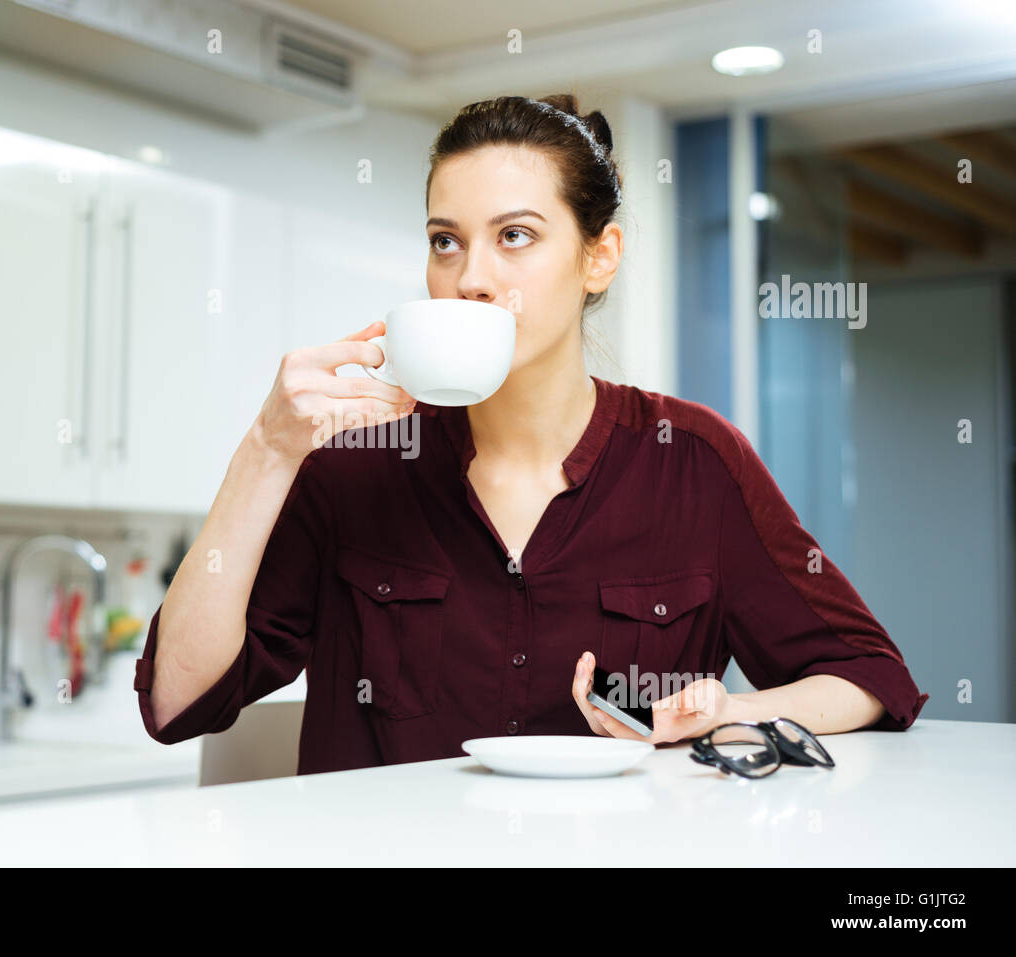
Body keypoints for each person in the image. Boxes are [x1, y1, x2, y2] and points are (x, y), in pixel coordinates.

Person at [133, 93, 928, 774]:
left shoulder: (696, 463)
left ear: (599, 255)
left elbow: (870, 673)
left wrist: (732, 712)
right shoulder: (353, 466)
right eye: (446, 240)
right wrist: (268, 449)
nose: (469, 276)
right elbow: (177, 702)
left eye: (514, 235)